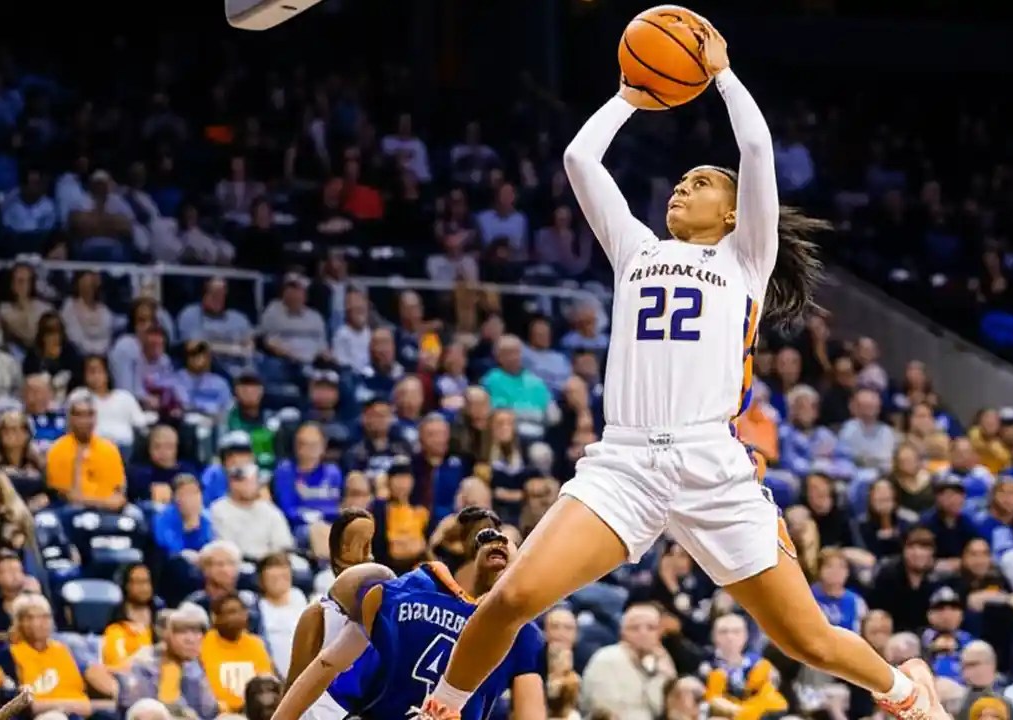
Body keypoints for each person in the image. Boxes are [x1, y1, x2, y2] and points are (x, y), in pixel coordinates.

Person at [418, 17, 944, 720]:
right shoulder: (635, 247)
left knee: (803, 638)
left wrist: (721, 73)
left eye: (699, 183)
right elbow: (580, 159)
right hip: (625, 463)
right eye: (681, 180)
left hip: (711, 463)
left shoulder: (744, 259)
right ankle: (443, 708)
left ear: (732, 213)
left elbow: (754, 146)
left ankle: (907, 691)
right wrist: (631, 96)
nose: (680, 188)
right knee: (512, 595)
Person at [273, 526, 545, 720]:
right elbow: (328, 662)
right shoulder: (414, 585)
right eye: (488, 535)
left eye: (509, 540)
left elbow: (530, 712)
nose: (498, 538)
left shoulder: (522, 632)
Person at [284, 508, 374, 720]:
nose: (367, 554)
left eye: (370, 545)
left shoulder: (387, 610)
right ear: (339, 553)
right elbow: (294, 683)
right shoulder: (319, 614)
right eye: (359, 545)